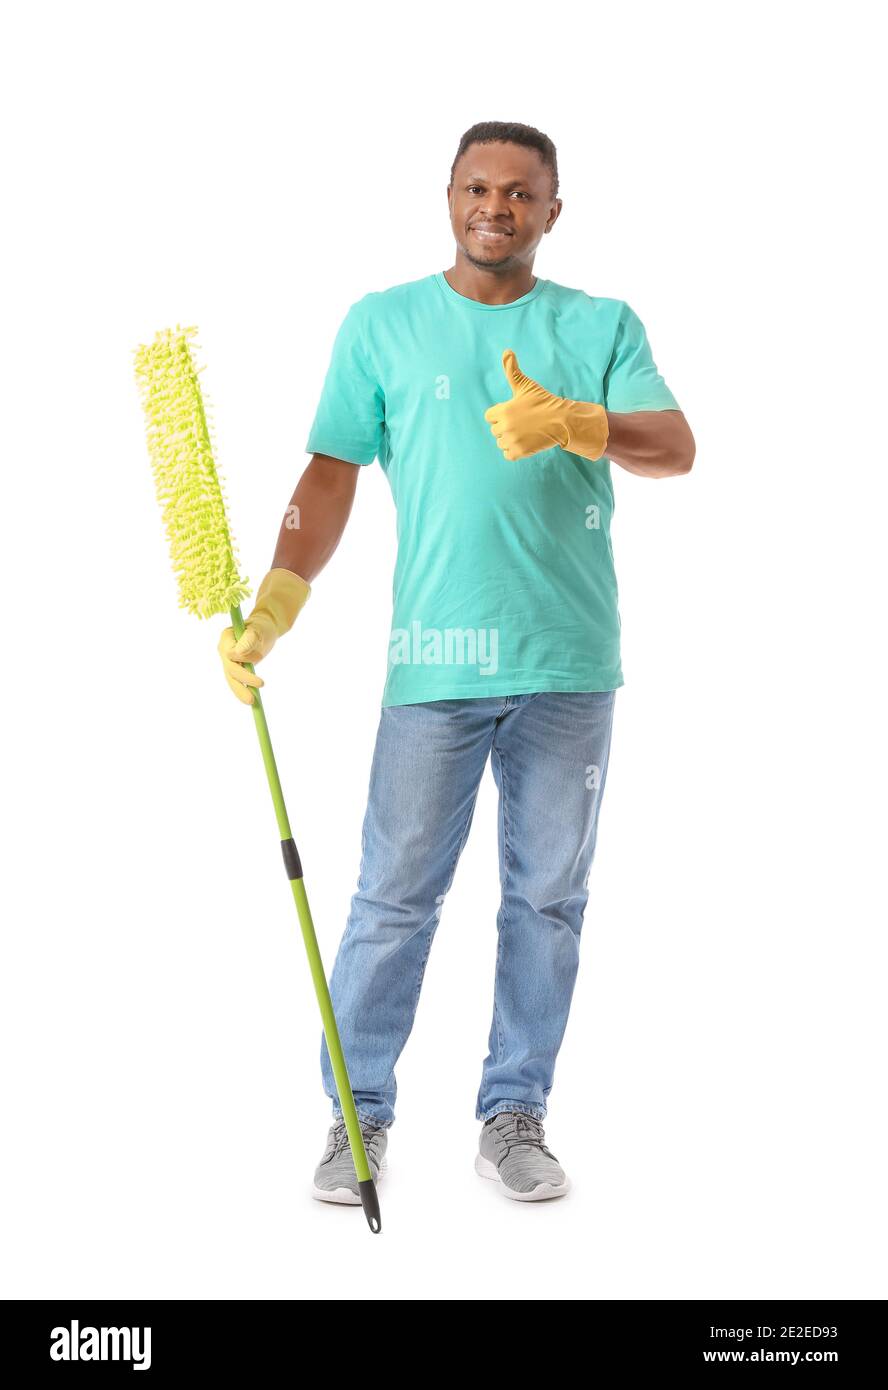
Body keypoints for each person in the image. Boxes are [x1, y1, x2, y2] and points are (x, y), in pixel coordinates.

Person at [218, 120, 695, 1205]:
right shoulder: (382, 325)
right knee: (393, 897)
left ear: (552, 211)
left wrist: (576, 420)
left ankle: (513, 1114)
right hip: (434, 666)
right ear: (447, 197)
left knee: (548, 900)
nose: (497, 207)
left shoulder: (599, 323)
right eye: (477, 187)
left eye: (521, 193)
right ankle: (357, 1117)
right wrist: (277, 605)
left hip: (570, 665)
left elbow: (675, 446)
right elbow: (329, 475)